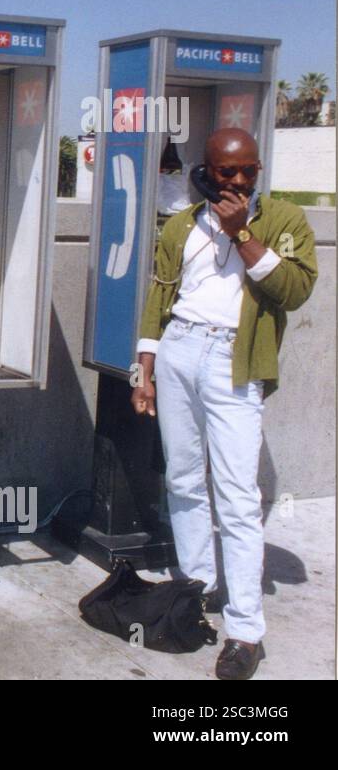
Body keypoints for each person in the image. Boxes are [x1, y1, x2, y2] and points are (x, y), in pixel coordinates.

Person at [131, 128, 317, 680]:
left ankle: (245, 633)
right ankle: (198, 587)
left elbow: (295, 289)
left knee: (236, 496)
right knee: (183, 480)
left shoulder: (284, 220)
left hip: (233, 360)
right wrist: (145, 369)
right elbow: (161, 294)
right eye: (225, 172)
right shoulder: (182, 224)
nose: (237, 181)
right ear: (206, 172)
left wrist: (242, 236)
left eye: (248, 172)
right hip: (180, 349)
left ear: (259, 171)